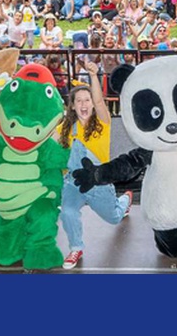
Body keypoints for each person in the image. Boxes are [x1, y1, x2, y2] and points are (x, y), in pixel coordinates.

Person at [58, 59, 132, 270]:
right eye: (78, 101)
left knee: (114, 219)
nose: (84, 104)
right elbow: (49, 146)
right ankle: (76, 248)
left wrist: (93, 75)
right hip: (74, 183)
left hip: (100, 184)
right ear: (72, 105)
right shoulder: (66, 128)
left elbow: (100, 103)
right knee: (68, 211)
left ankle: (124, 200)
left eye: (87, 100)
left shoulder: (102, 123)